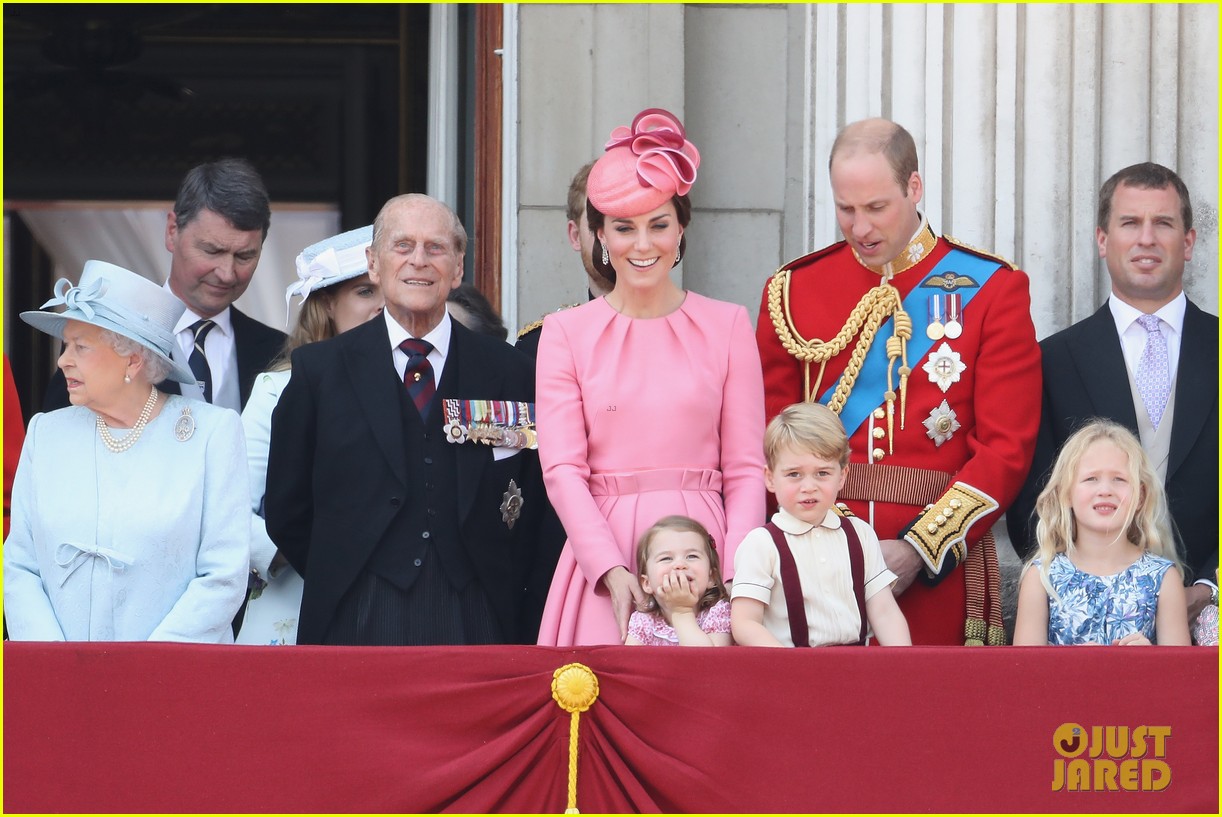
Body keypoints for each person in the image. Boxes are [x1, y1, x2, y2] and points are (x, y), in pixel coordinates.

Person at [755, 118, 1040, 645]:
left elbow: (1006, 450)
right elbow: (768, 438)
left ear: (914, 187)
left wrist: (920, 549)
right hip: (815, 557)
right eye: (846, 209)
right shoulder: (792, 291)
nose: (860, 227)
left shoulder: (992, 289)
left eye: (876, 207)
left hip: (936, 566)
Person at [264, 194, 543, 646]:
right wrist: (344, 570)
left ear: (458, 268)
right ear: (373, 264)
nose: (419, 261)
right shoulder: (320, 372)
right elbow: (286, 507)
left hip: (479, 616)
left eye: (436, 248)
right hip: (354, 616)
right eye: (403, 246)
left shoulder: (510, 371)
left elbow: (535, 500)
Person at [536, 107, 766, 646]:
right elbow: (563, 470)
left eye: (659, 225)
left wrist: (739, 575)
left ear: (681, 228)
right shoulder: (565, 333)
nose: (643, 245)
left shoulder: (728, 325)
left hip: (709, 553)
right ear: (598, 235)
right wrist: (609, 569)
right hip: (607, 556)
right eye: (624, 228)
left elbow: (744, 469)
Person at [1007, 162, 1218, 630]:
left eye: (1163, 223)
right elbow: (1029, 501)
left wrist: (1207, 588)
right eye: (1130, 223)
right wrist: (1091, 595)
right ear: (1103, 240)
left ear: (1188, 242)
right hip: (1087, 626)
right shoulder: (1052, 361)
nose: (1146, 238)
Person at [5, 260, 249, 641]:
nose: (63, 360)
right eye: (66, 345)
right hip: (61, 669)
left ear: (133, 360)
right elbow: (19, 564)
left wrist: (146, 665)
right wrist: (53, 657)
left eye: (81, 347)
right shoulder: (45, 434)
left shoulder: (212, 435)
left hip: (170, 668)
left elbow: (223, 576)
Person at [42, 158, 286, 414]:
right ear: (172, 231)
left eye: (244, 256)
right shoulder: (105, 335)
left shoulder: (280, 352)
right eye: (212, 251)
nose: (226, 274)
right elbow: (63, 430)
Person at [236, 225, 382, 646]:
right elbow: (229, 508)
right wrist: (300, 552)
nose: (382, 306)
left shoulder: (420, 388)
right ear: (327, 304)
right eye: (365, 292)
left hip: (389, 612)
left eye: (388, 292)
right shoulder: (277, 388)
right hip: (293, 603)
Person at [731, 402, 911, 647]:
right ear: (770, 478)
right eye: (794, 474)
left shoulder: (860, 534)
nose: (809, 486)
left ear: (842, 477)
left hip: (858, 664)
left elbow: (885, 612)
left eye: (822, 473)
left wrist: (903, 664)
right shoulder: (761, 544)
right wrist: (789, 665)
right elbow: (745, 623)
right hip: (791, 665)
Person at [1012, 420, 1190, 646]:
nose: (1105, 490)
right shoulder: (1041, 577)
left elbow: (1179, 666)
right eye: (1091, 479)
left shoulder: (1163, 578)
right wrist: (1071, 663)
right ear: (1066, 493)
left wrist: (1149, 659)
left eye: (1119, 479)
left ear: (1140, 497)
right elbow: (1024, 667)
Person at [515, 160, 612, 359]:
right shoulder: (542, 345)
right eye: (598, 223)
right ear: (575, 236)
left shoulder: (681, 327)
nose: (612, 236)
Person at [625, 515, 732, 647]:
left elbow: (708, 658)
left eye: (692, 556)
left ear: (712, 577)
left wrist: (682, 611)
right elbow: (629, 659)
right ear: (647, 583)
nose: (680, 564)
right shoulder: (643, 621)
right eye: (666, 558)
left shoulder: (718, 613)